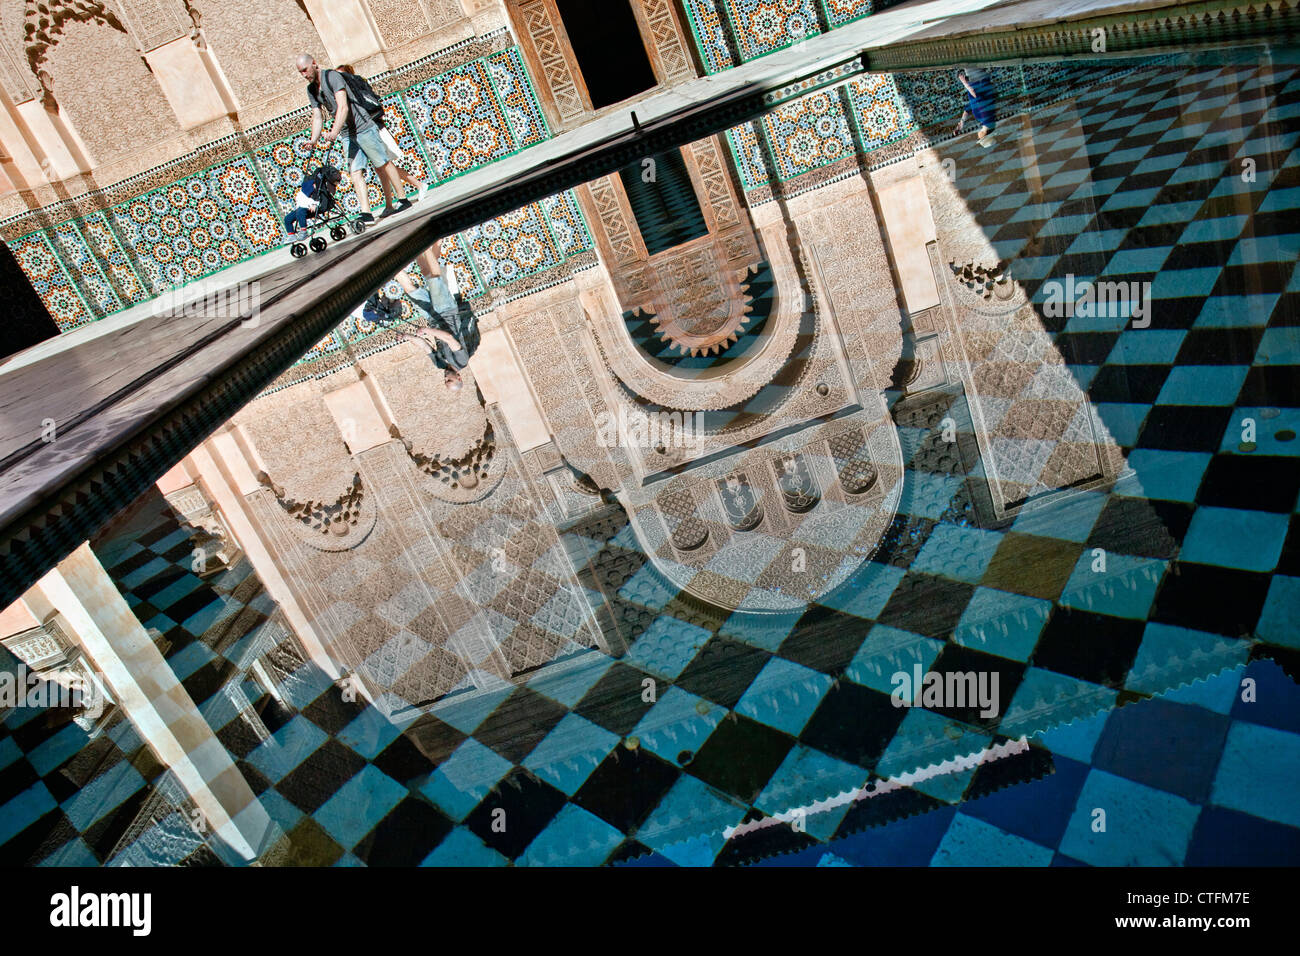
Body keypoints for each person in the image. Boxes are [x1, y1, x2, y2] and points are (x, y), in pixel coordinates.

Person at [296, 53, 405, 223]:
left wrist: (333, 132)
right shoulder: (311, 89)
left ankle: (402, 199)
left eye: (305, 70)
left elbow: (343, 107)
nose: (304, 75)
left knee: (383, 163)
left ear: (314, 64)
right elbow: (317, 116)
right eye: (300, 72)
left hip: (363, 127)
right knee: (355, 171)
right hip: (347, 134)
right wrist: (313, 140)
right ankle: (366, 212)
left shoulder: (332, 76)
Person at [369, 241, 479, 391]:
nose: (445, 377)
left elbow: (424, 345)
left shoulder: (440, 364)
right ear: (459, 377)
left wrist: (407, 337)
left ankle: (389, 258)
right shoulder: (461, 361)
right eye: (449, 380)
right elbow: (448, 338)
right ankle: (425, 242)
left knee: (411, 289)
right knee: (434, 277)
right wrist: (427, 331)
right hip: (446, 311)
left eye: (445, 381)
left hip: (431, 317)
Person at [337, 64, 429, 207]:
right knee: (381, 168)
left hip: (375, 129)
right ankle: (389, 204)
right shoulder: (348, 92)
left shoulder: (355, 88)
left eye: (341, 76)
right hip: (370, 129)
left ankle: (419, 185)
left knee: (385, 165)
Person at [954, 67, 996, 143]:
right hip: (977, 79)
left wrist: (962, 122)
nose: (977, 137)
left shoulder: (987, 120)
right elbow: (977, 96)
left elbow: (971, 105)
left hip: (980, 79)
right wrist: (964, 83)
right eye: (979, 138)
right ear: (984, 135)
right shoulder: (985, 118)